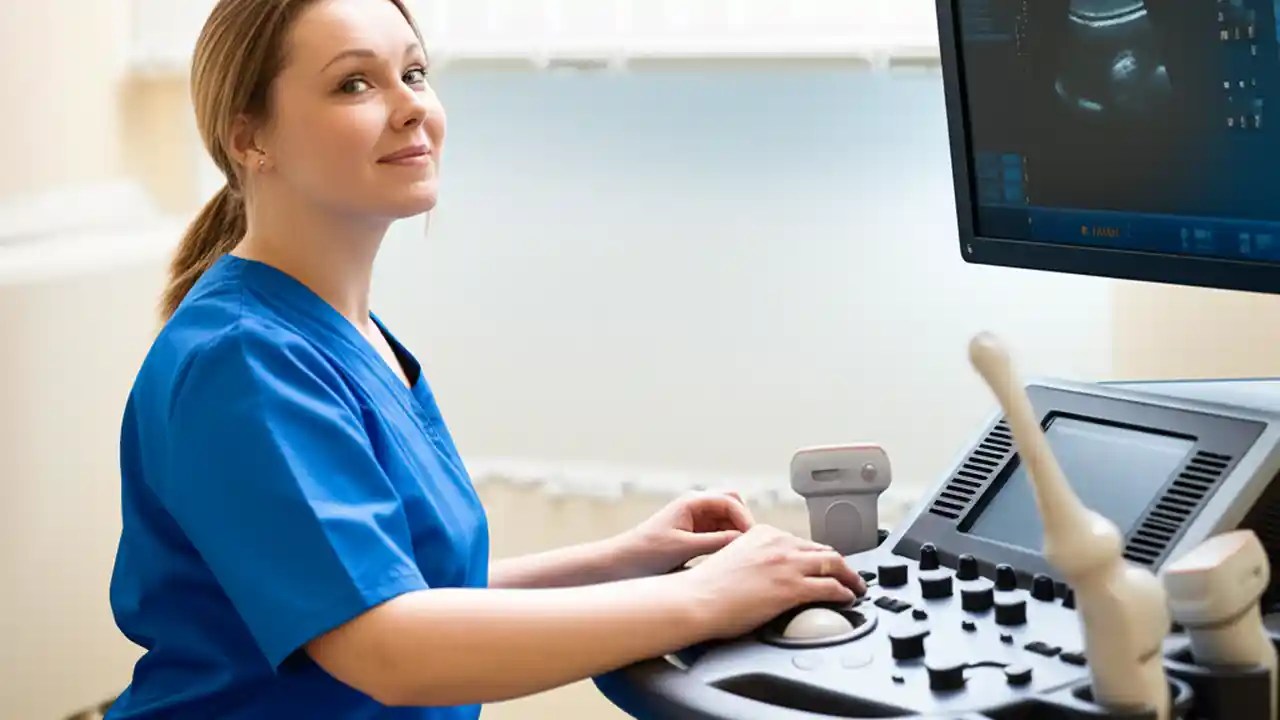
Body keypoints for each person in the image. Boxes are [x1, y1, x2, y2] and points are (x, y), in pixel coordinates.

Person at [104, 0, 867, 717]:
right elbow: (388, 647)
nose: (411, 106)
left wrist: (627, 558)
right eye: (354, 82)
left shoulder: (346, 335)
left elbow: (413, 590)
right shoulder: (246, 362)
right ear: (249, 138)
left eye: (414, 73)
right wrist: (709, 600)